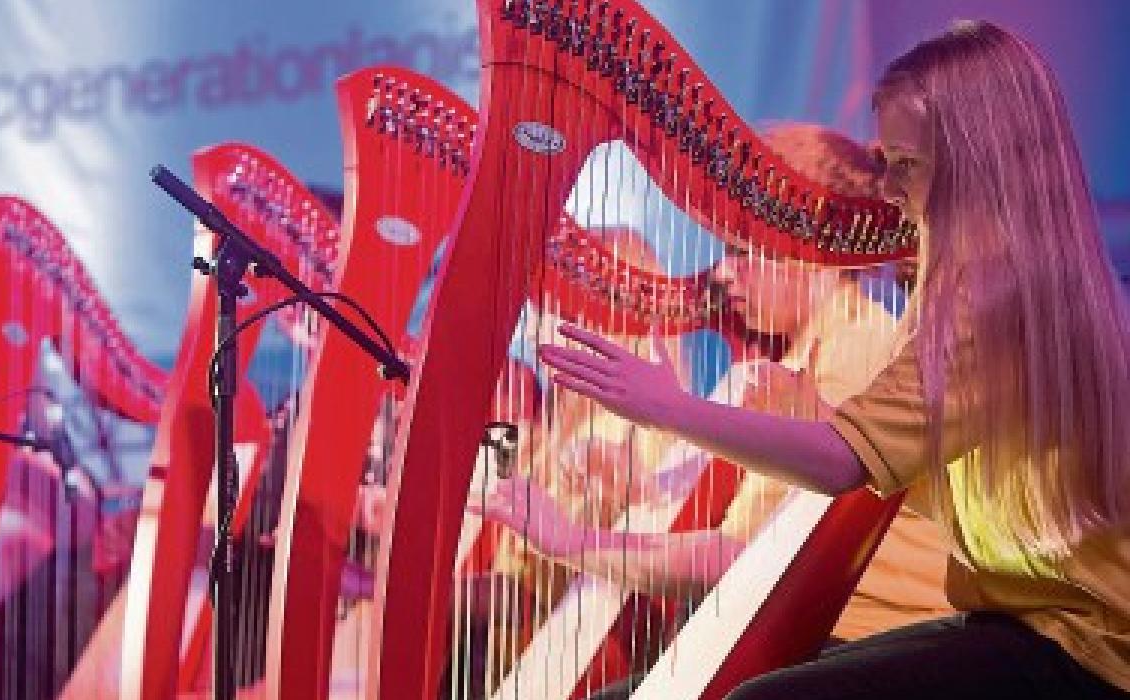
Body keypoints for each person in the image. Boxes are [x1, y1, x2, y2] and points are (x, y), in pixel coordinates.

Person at [539, 20, 1130, 699]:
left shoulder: (993, 293)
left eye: (905, 166)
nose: (889, 192)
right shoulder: (1007, 280)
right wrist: (816, 418)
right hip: (1029, 615)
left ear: (975, 157)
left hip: (1079, 638)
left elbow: (841, 462)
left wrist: (667, 408)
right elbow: (918, 475)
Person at [476, 123, 954, 642]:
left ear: (809, 244)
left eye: (744, 248)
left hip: (868, 638)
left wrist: (569, 541)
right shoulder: (794, 353)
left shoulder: (856, 348)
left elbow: (740, 556)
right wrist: (632, 488)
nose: (723, 273)